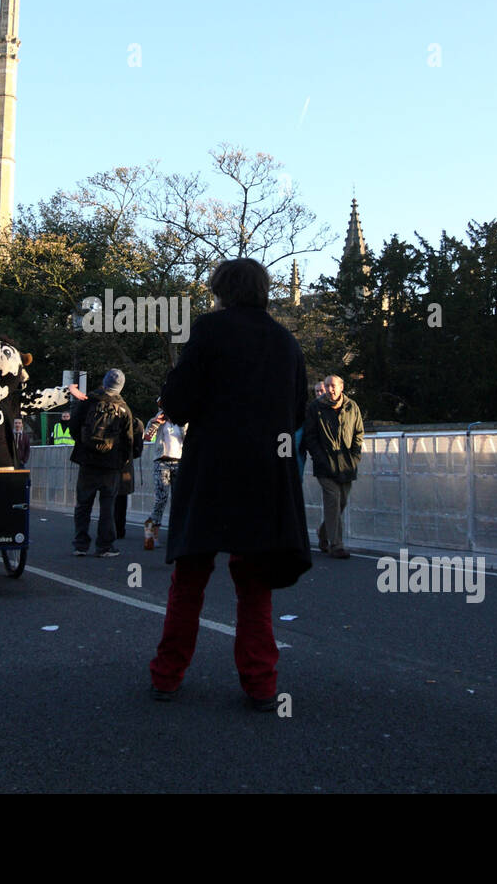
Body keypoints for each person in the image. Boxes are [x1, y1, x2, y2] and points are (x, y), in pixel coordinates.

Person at [149, 258, 311, 709]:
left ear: (222, 291)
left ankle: (167, 675)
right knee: (254, 582)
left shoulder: (209, 330)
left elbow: (179, 404)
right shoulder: (286, 342)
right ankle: (260, 683)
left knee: (190, 577)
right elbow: (297, 412)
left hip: (212, 467)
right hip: (265, 473)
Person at [68, 369, 135, 557]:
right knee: (108, 506)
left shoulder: (89, 401)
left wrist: (83, 445)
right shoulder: (123, 408)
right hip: (111, 465)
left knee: (83, 504)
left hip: (87, 461)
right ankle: (105, 546)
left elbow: (74, 426)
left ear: (104, 383)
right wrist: (123, 460)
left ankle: (80, 545)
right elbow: (129, 439)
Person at [300, 374, 363, 559]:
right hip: (325, 466)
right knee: (333, 500)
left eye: (333, 386)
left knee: (341, 502)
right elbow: (310, 436)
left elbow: (359, 433)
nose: (330, 389)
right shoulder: (316, 408)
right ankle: (337, 545)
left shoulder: (352, 407)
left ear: (341, 387)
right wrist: (320, 459)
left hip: (346, 465)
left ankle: (323, 533)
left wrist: (354, 458)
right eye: (327, 386)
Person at [143, 400, 184, 550]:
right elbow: (147, 437)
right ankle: (151, 534)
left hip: (179, 463)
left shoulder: (182, 422)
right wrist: (155, 423)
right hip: (162, 462)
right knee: (161, 498)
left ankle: (177, 535)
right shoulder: (158, 420)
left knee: (179, 499)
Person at [113, 411, 144, 541]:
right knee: (121, 497)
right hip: (125, 462)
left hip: (106, 461)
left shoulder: (106, 419)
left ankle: (108, 529)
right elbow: (137, 448)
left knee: (108, 497)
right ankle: (120, 529)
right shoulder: (135, 423)